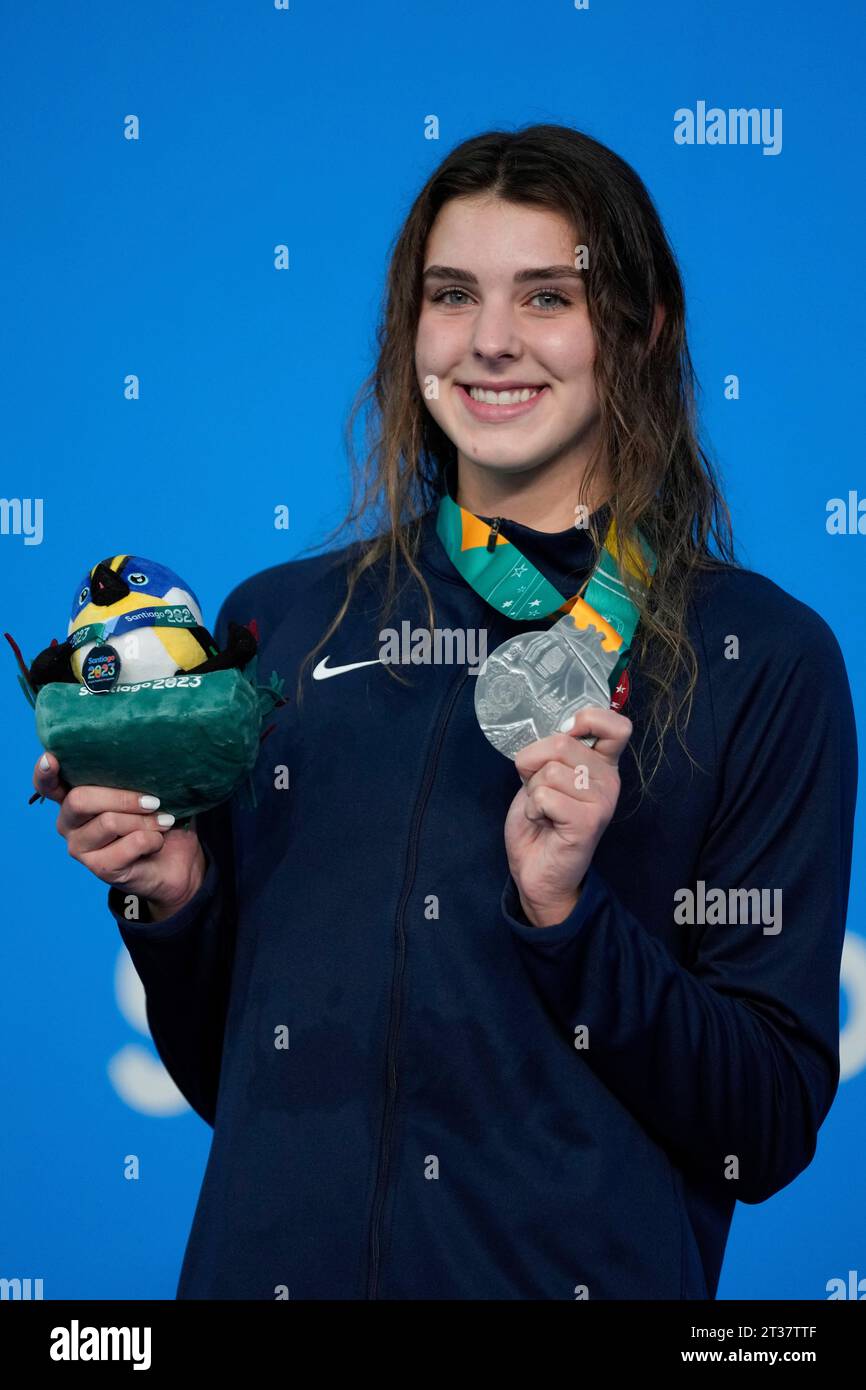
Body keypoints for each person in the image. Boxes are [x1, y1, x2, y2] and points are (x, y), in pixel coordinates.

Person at [35, 124, 857, 1300]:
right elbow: (248, 1092)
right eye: (451, 294)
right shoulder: (284, 626)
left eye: (547, 296)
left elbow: (762, 1127)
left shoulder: (758, 658)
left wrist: (568, 916)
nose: (489, 340)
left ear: (641, 329)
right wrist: (176, 903)